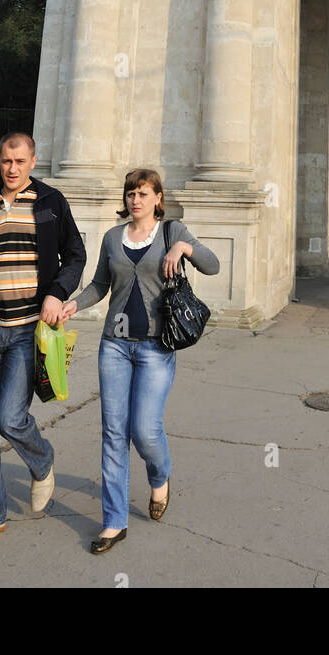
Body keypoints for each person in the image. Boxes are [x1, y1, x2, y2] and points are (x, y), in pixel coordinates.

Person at [60, 168, 220, 554]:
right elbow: (100, 284)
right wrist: (73, 304)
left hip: (155, 347)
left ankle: (159, 476)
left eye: (144, 193)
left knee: (144, 430)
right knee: (114, 432)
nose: (135, 199)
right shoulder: (113, 237)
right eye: (131, 192)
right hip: (114, 345)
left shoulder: (172, 232)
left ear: (157, 199)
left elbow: (212, 264)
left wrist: (184, 249)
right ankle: (114, 522)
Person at [0, 132, 85, 547]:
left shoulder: (51, 203)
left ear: (33, 161)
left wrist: (58, 293)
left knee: (8, 418)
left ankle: (41, 461)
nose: (12, 168)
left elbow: (75, 254)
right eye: (6, 161)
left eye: (20, 161)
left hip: (28, 331)